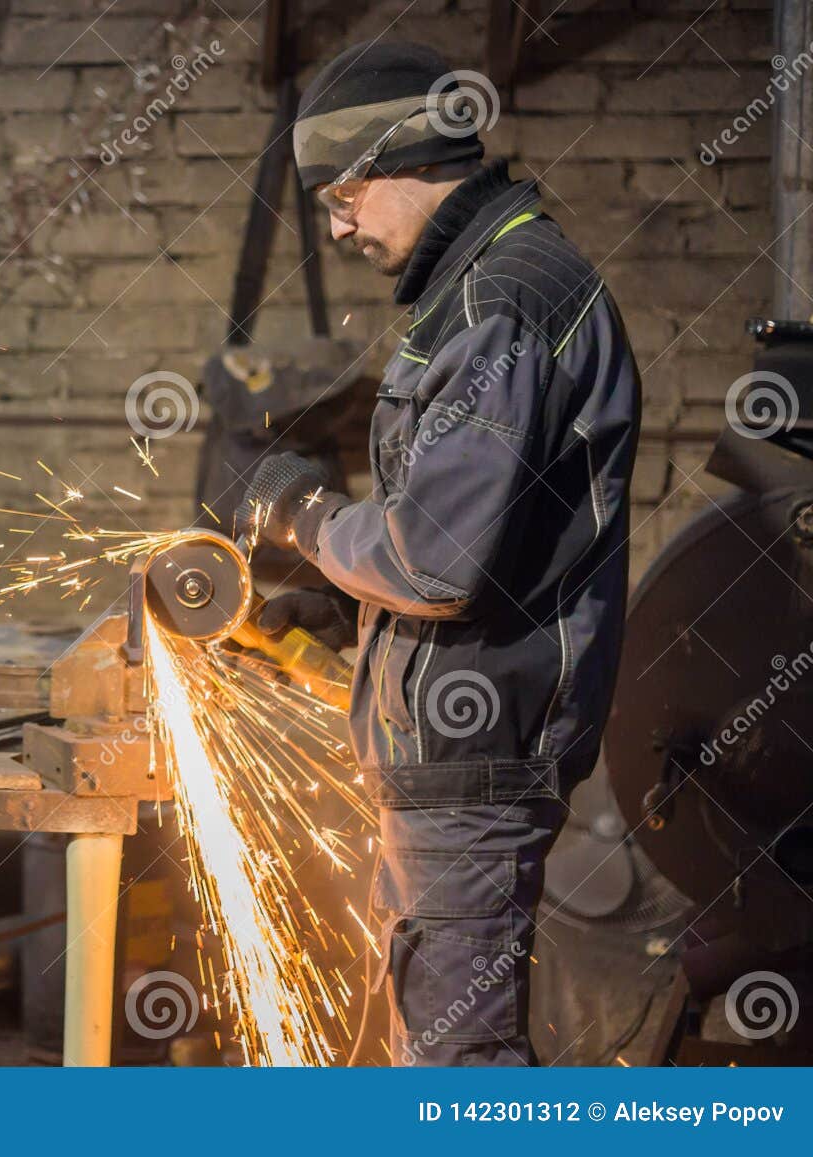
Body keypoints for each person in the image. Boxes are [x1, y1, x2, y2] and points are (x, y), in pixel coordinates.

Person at [241, 41, 641, 1065]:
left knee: (458, 1072)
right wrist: (339, 612)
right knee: (437, 1047)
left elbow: (435, 563)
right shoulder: (490, 285)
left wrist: (300, 513)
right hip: (464, 750)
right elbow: (487, 536)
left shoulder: (498, 302)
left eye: (344, 194)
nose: (336, 225)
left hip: (473, 761)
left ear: (406, 157)